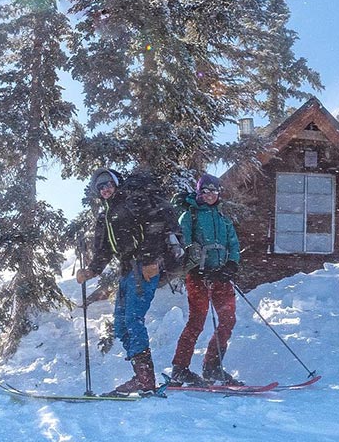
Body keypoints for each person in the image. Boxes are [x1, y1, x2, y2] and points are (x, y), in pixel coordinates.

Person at [74, 168, 169, 395]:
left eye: (108, 184)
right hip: (126, 271)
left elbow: (154, 228)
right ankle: (141, 376)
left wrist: (149, 261)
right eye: (100, 187)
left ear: (116, 183)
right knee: (121, 326)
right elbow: (105, 250)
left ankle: (146, 380)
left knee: (133, 320)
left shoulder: (133, 202)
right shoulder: (106, 215)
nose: (105, 189)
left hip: (142, 268)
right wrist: (91, 271)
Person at [169, 173, 242, 386]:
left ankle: (212, 366)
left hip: (221, 276)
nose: (210, 194)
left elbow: (233, 245)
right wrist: (195, 268)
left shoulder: (223, 220)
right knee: (197, 321)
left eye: (214, 190)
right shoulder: (190, 216)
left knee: (228, 320)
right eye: (206, 190)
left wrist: (231, 265)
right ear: (199, 192)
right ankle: (180, 368)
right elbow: (183, 246)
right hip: (198, 277)